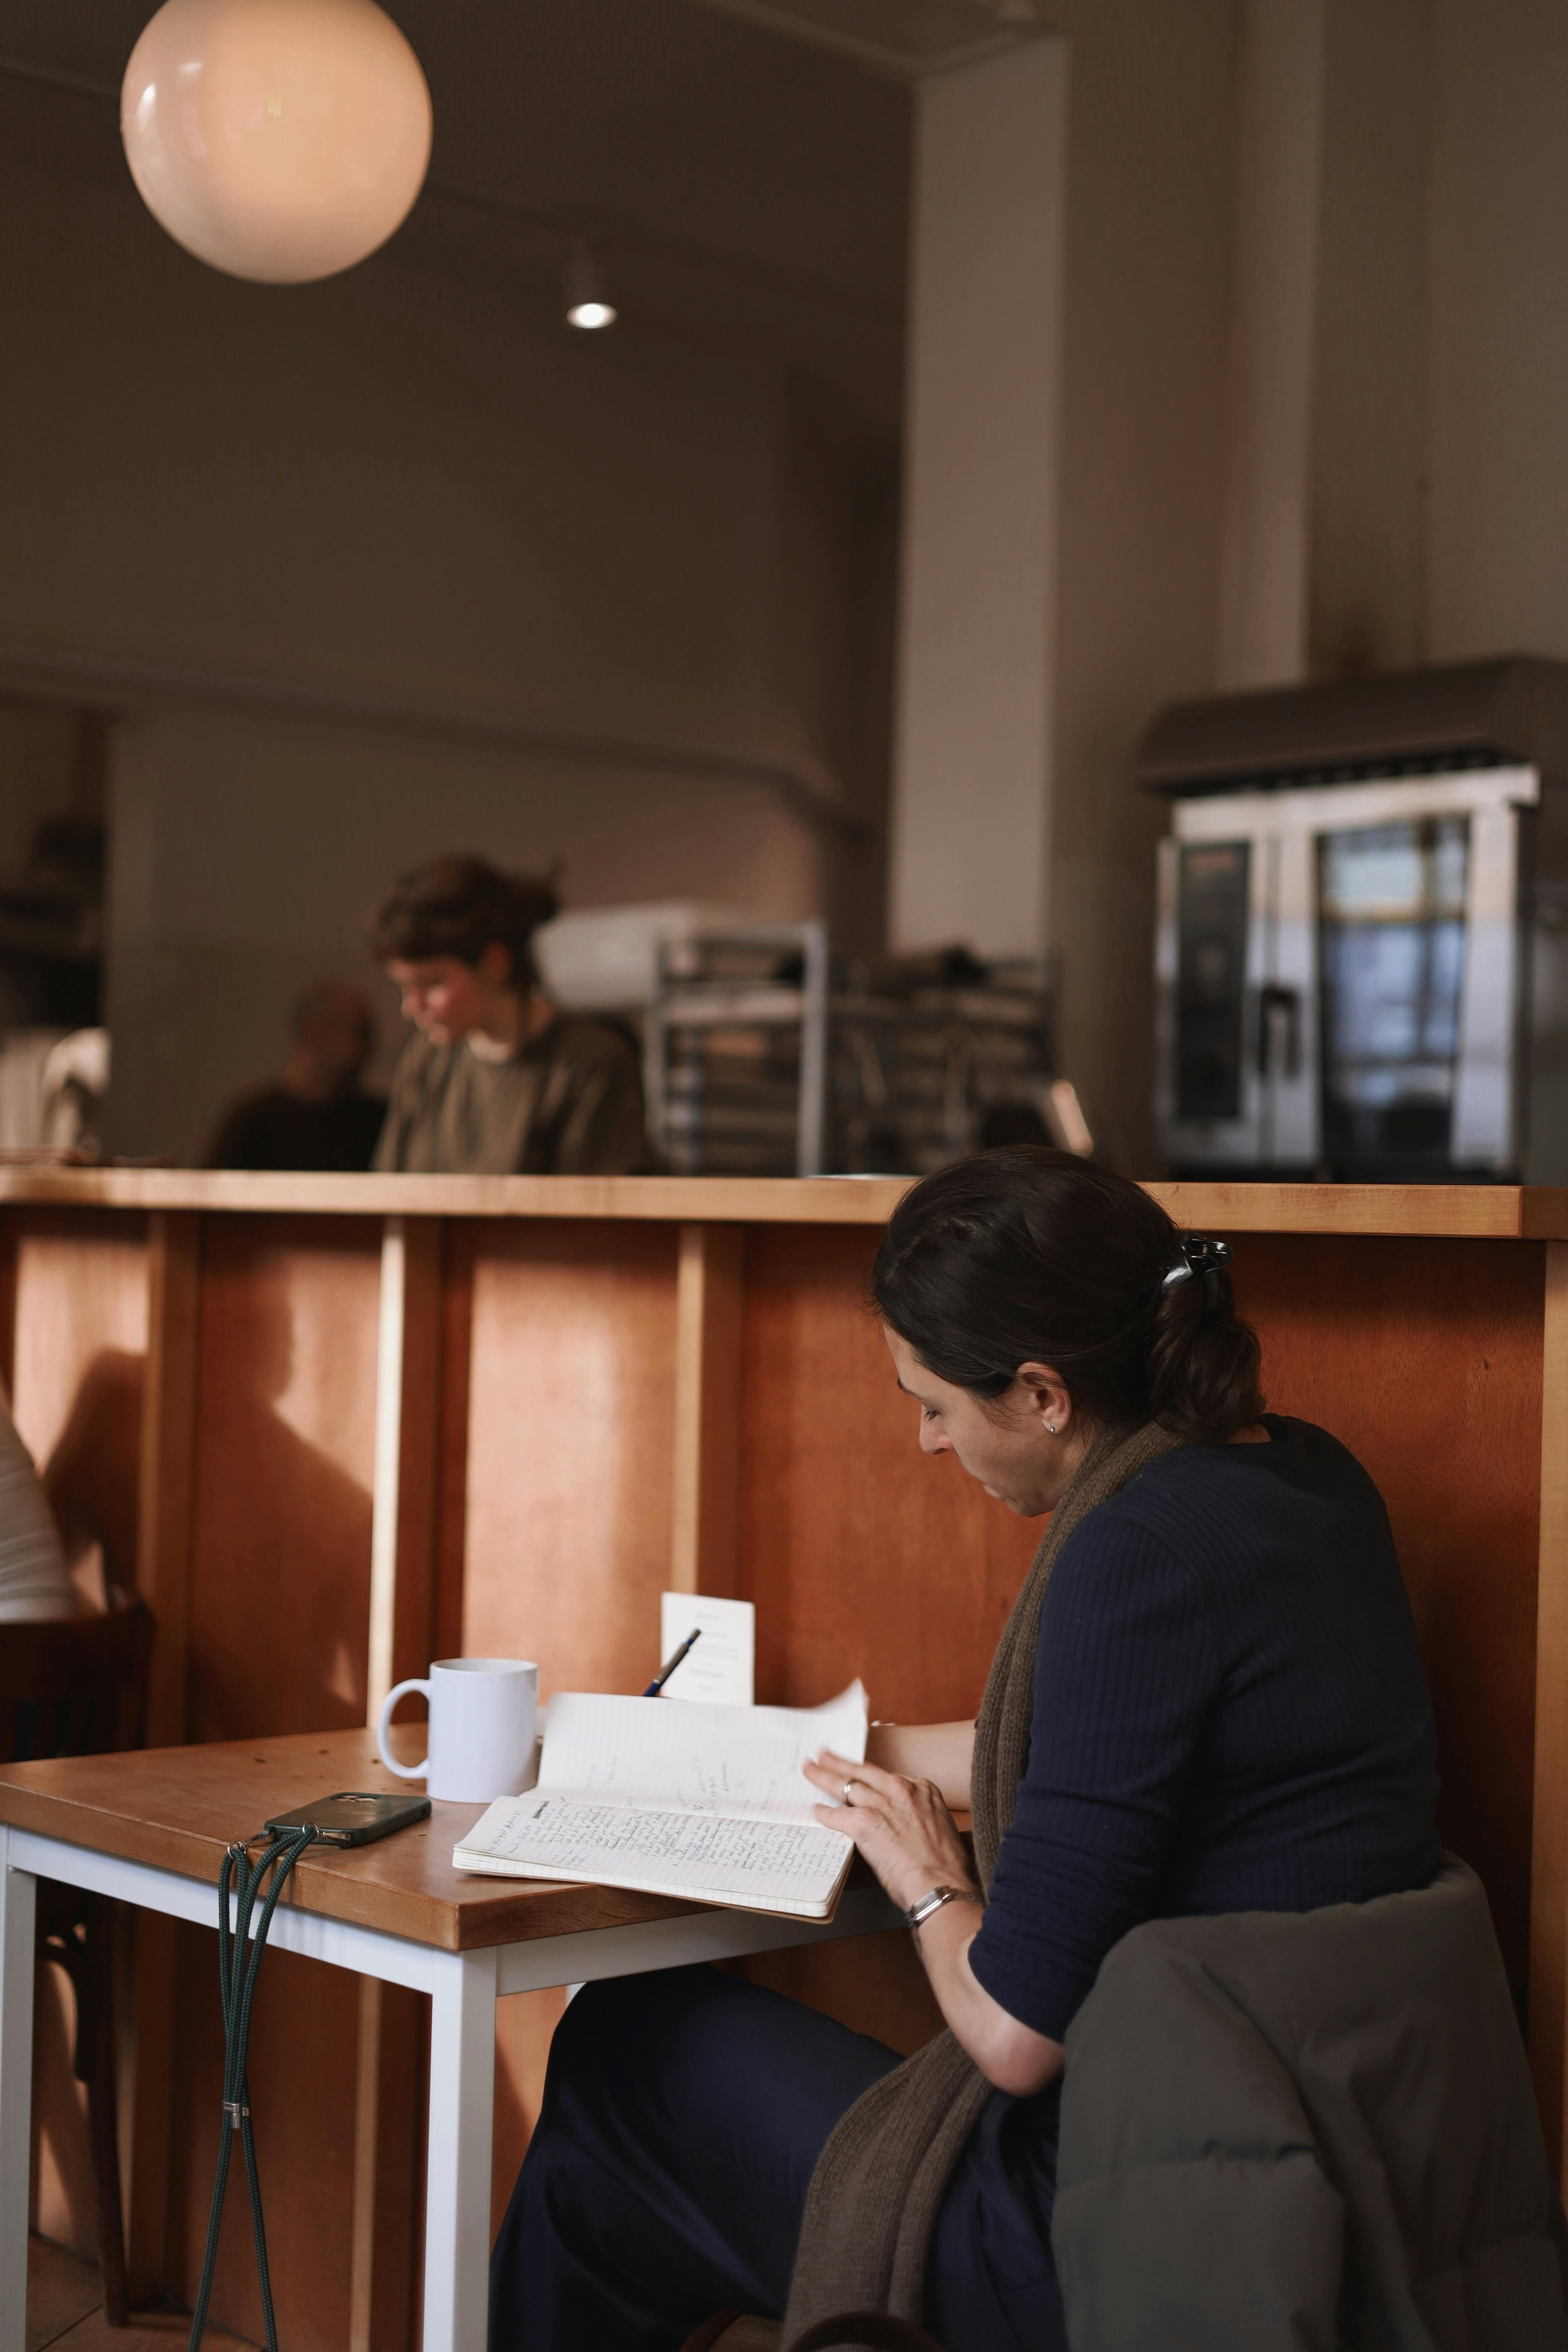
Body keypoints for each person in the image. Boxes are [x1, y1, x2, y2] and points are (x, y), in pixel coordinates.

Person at [489, 1147, 1442, 2350]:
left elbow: (1013, 2036)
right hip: (1321, 2160)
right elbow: (1092, 1750)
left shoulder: (1134, 1554)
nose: (930, 1445)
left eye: (934, 1405)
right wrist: (828, 1748)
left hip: (1116, 2213)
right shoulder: (1304, 1476)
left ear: (1045, 1395)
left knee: (626, 2051)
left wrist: (926, 1875)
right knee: (619, 2152)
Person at [371, 856, 646, 1175]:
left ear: (494, 963)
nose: (412, 1007)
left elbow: (593, 1216)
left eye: (432, 984)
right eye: (405, 987)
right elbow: (390, 1193)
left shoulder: (588, 1064)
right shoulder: (425, 1058)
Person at [205, 982, 385, 1171]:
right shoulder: (253, 1121)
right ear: (319, 1031)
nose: (370, 1046)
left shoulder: (376, 1120)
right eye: (360, 1031)